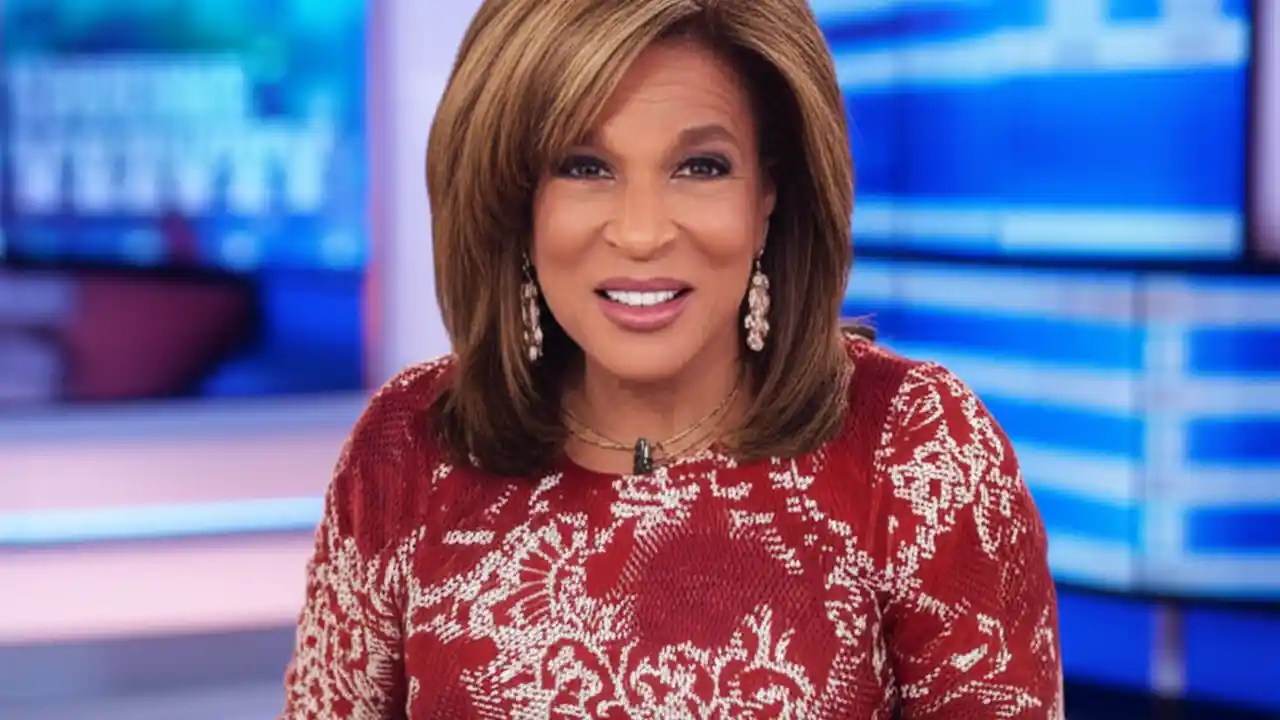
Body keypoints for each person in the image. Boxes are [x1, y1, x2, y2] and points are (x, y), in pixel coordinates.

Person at [281, 0, 1063, 717]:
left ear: (768, 194)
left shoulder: (916, 449)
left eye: (701, 167)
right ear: (514, 197)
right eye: (584, 166)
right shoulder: (410, 447)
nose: (643, 231)